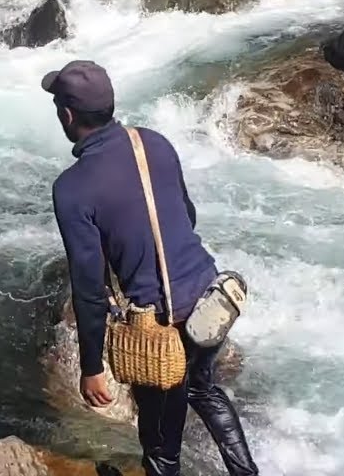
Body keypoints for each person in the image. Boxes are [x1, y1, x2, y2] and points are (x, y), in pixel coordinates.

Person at [41, 59, 259, 476]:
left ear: (67, 116)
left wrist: (91, 369)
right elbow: (187, 216)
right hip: (210, 298)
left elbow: (88, 288)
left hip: (159, 326)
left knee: (160, 448)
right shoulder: (153, 142)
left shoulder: (72, 188)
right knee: (202, 388)